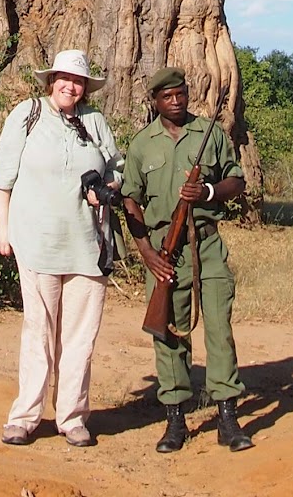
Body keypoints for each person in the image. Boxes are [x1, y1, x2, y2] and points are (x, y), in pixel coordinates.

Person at [0, 48, 121, 449]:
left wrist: (105, 189)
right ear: (51, 80)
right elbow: (2, 180)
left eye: (78, 81)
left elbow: (116, 171)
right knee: (38, 331)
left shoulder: (95, 122)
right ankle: (25, 416)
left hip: (88, 244)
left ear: (85, 87)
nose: (71, 86)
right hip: (38, 242)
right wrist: (2, 229)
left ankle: (73, 417)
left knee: (81, 336)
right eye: (65, 78)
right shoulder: (26, 115)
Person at [120, 66, 254, 453]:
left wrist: (209, 191)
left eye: (181, 94)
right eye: (168, 97)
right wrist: (147, 253)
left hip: (206, 246)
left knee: (218, 328)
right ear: (155, 102)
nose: (176, 102)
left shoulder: (209, 135)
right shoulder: (143, 143)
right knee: (168, 334)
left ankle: (227, 417)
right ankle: (175, 419)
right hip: (163, 249)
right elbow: (130, 198)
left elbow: (236, 179)